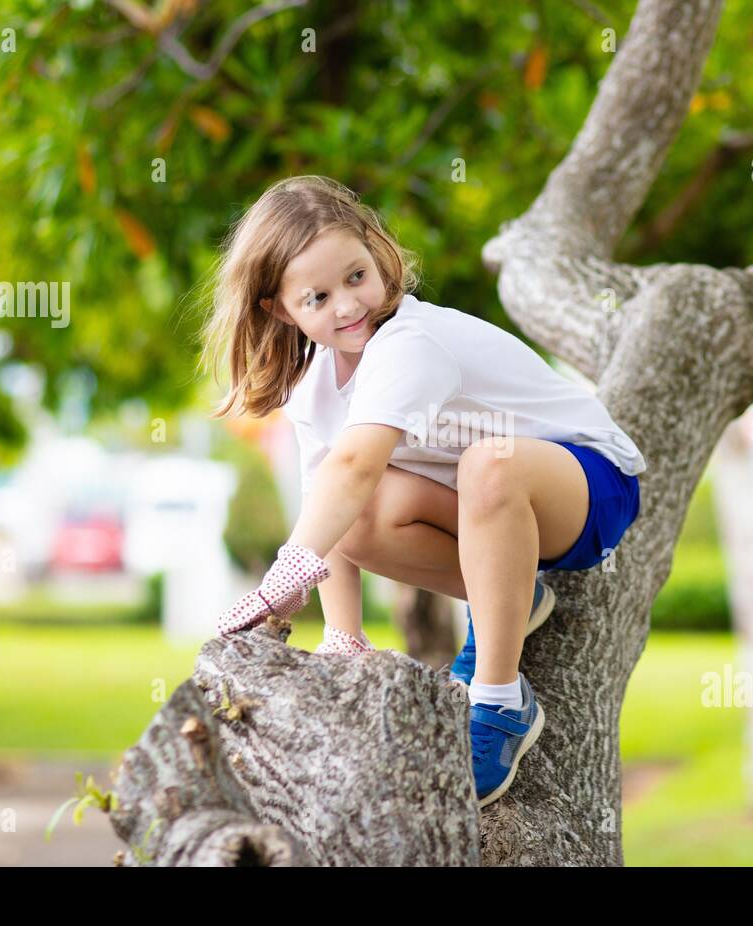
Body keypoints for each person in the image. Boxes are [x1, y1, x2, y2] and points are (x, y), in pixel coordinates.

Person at [198, 175, 645, 807]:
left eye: (356, 276)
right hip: (492, 511)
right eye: (318, 296)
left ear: (377, 253)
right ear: (279, 308)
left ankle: (500, 703)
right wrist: (342, 637)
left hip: (588, 485)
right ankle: (521, 593)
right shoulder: (313, 384)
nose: (347, 305)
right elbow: (329, 496)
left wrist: (279, 584)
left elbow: (355, 465)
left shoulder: (411, 342)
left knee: (490, 464)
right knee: (352, 520)